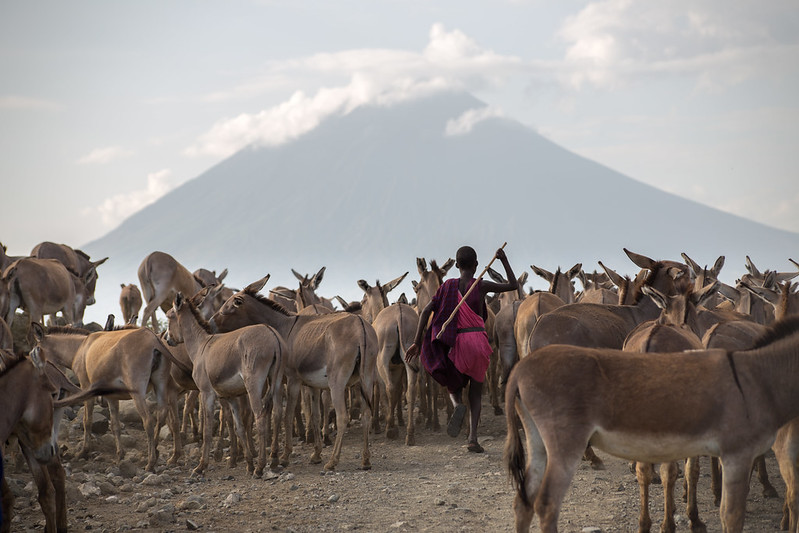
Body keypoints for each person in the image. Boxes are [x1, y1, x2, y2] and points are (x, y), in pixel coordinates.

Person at [405, 245, 517, 452]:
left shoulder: (447, 286)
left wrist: (417, 341)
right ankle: (473, 438)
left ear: (456, 265)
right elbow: (513, 284)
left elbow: (424, 313)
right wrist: (503, 260)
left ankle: (457, 405)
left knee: (453, 384)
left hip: (458, 344)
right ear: (476, 265)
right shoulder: (480, 285)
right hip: (479, 342)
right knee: (475, 392)